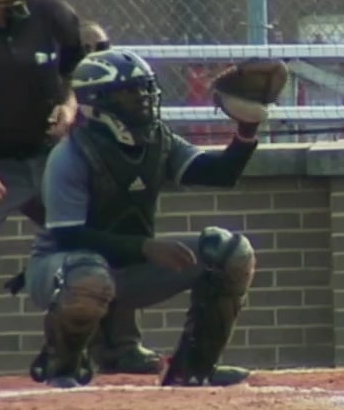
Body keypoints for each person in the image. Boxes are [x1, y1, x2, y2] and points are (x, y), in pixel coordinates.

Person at [22, 49, 262, 389]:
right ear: (97, 102)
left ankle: (194, 368)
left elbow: (219, 173)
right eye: (129, 92)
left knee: (231, 252)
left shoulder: (159, 139)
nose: (143, 99)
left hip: (126, 269)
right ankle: (62, 367)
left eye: (145, 88)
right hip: (58, 268)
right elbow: (68, 236)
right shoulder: (71, 154)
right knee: (89, 275)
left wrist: (247, 130)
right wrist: (145, 247)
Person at [6, 19, 162, 375]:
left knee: (118, 242)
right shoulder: (44, 84)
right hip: (43, 178)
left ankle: (122, 346)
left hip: (99, 188)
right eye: (85, 49)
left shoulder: (113, 90)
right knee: (82, 259)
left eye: (101, 48)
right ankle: (64, 347)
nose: (93, 55)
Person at [0, 0, 82, 291]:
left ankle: (104, 332)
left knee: (97, 247)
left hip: (49, 156)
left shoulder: (50, 13)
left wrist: (68, 106)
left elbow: (80, 73)